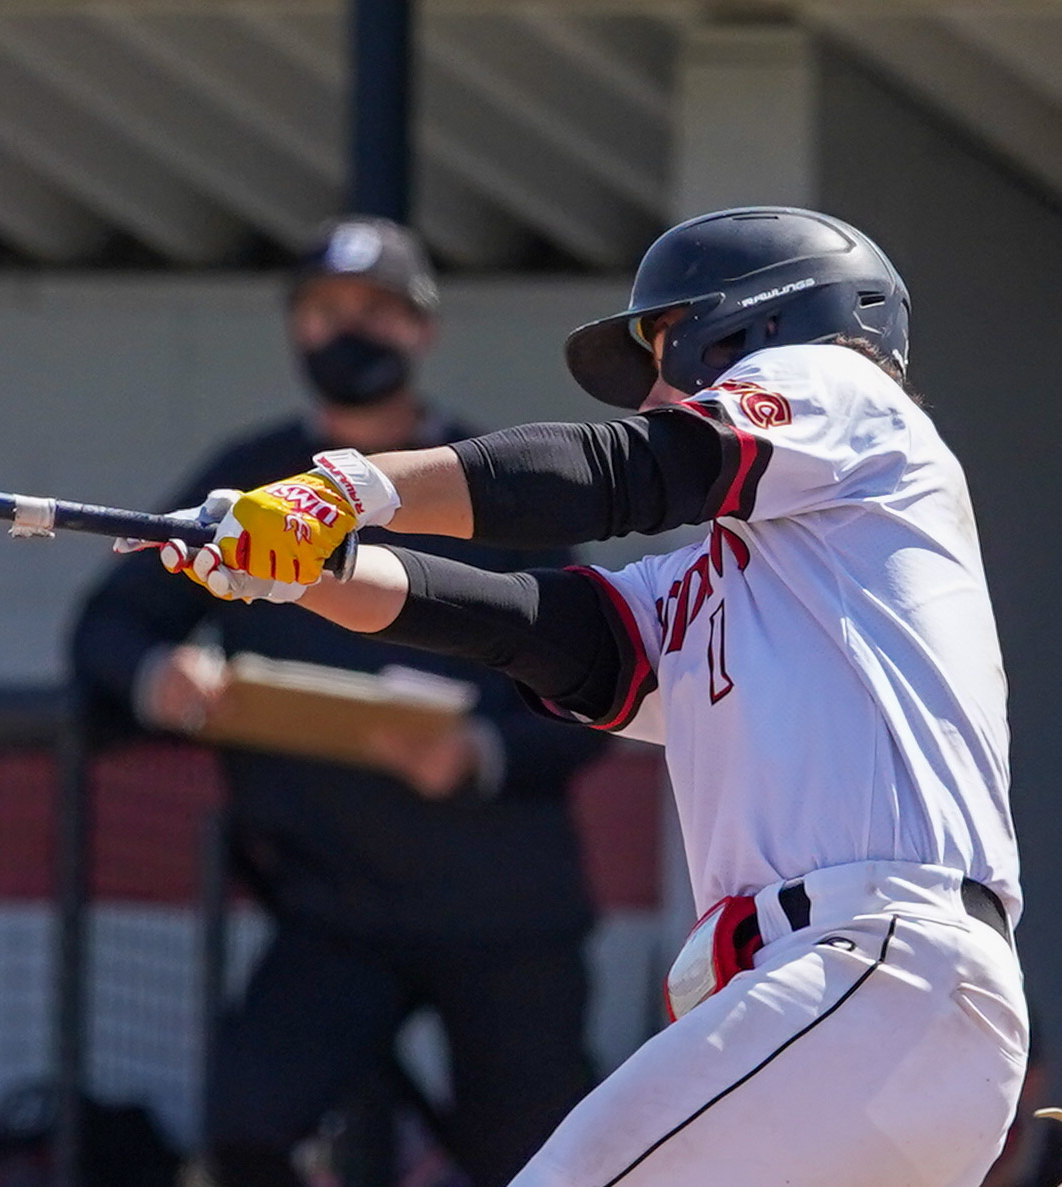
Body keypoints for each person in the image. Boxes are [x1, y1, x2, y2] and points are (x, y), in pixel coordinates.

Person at [156, 205, 1026, 1187]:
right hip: (862, 1017)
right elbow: (536, 625)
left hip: (871, 967)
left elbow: (628, 469)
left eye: (667, 348)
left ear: (758, 327)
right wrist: (302, 571)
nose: (651, 392)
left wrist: (347, 489)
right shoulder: (751, 576)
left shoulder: (842, 389)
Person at [70, 216, 606, 1187]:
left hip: (501, 912)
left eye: (376, 309)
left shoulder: (487, 484)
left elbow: (592, 674)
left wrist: (478, 752)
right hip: (330, 910)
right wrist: (162, 678)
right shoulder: (253, 482)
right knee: (247, 1125)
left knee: (536, 1159)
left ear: (422, 329)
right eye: (323, 310)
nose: (348, 331)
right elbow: (108, 626)